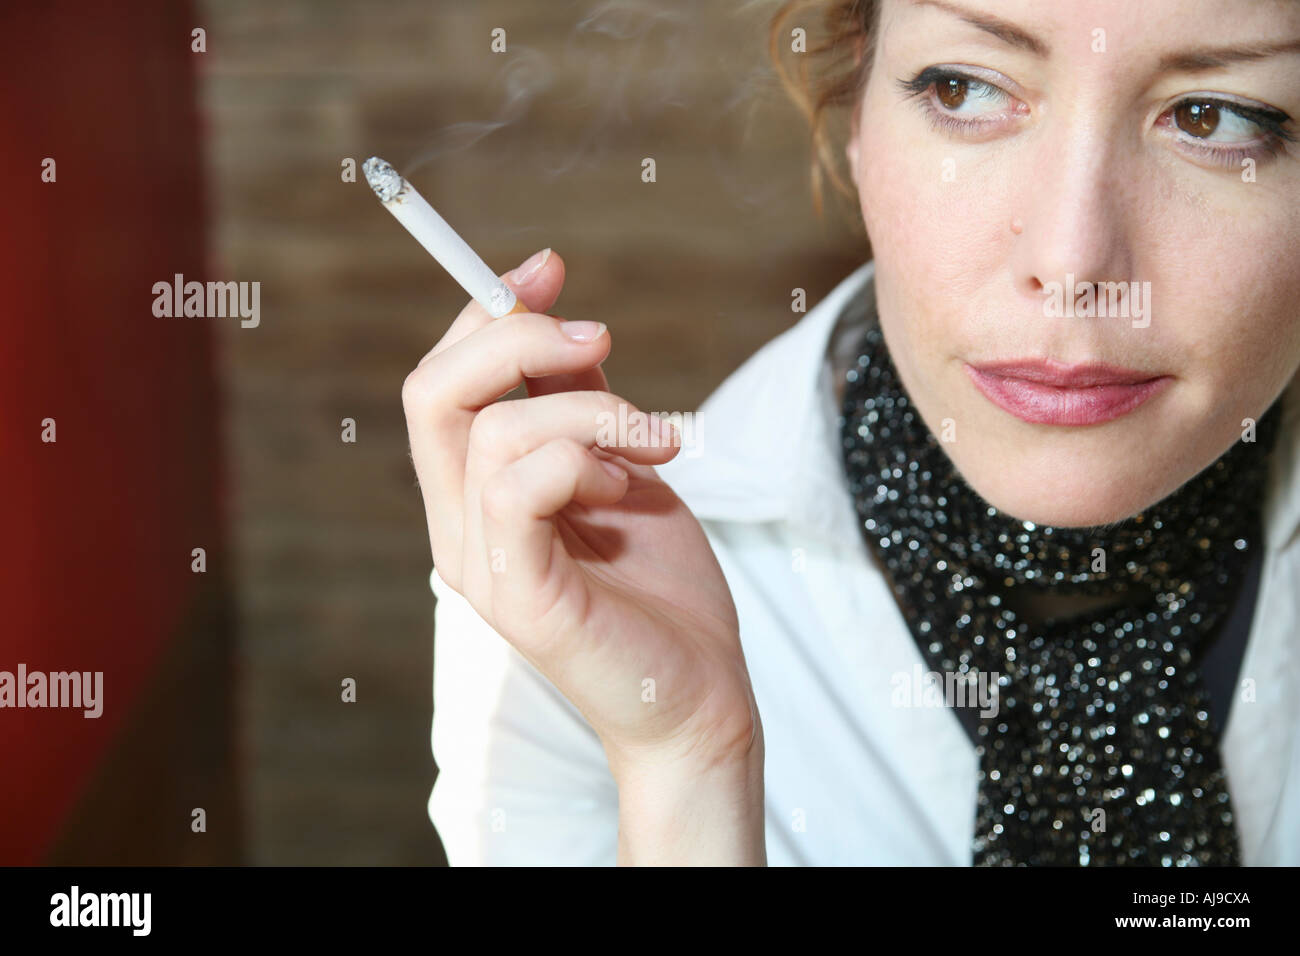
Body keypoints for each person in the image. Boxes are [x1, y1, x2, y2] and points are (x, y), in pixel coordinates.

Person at [404, 0, 1300, 865]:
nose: (1071, 262)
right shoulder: (577, 583)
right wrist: (686, 760)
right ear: (857, 124)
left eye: (1214, 117)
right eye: (966, 89)